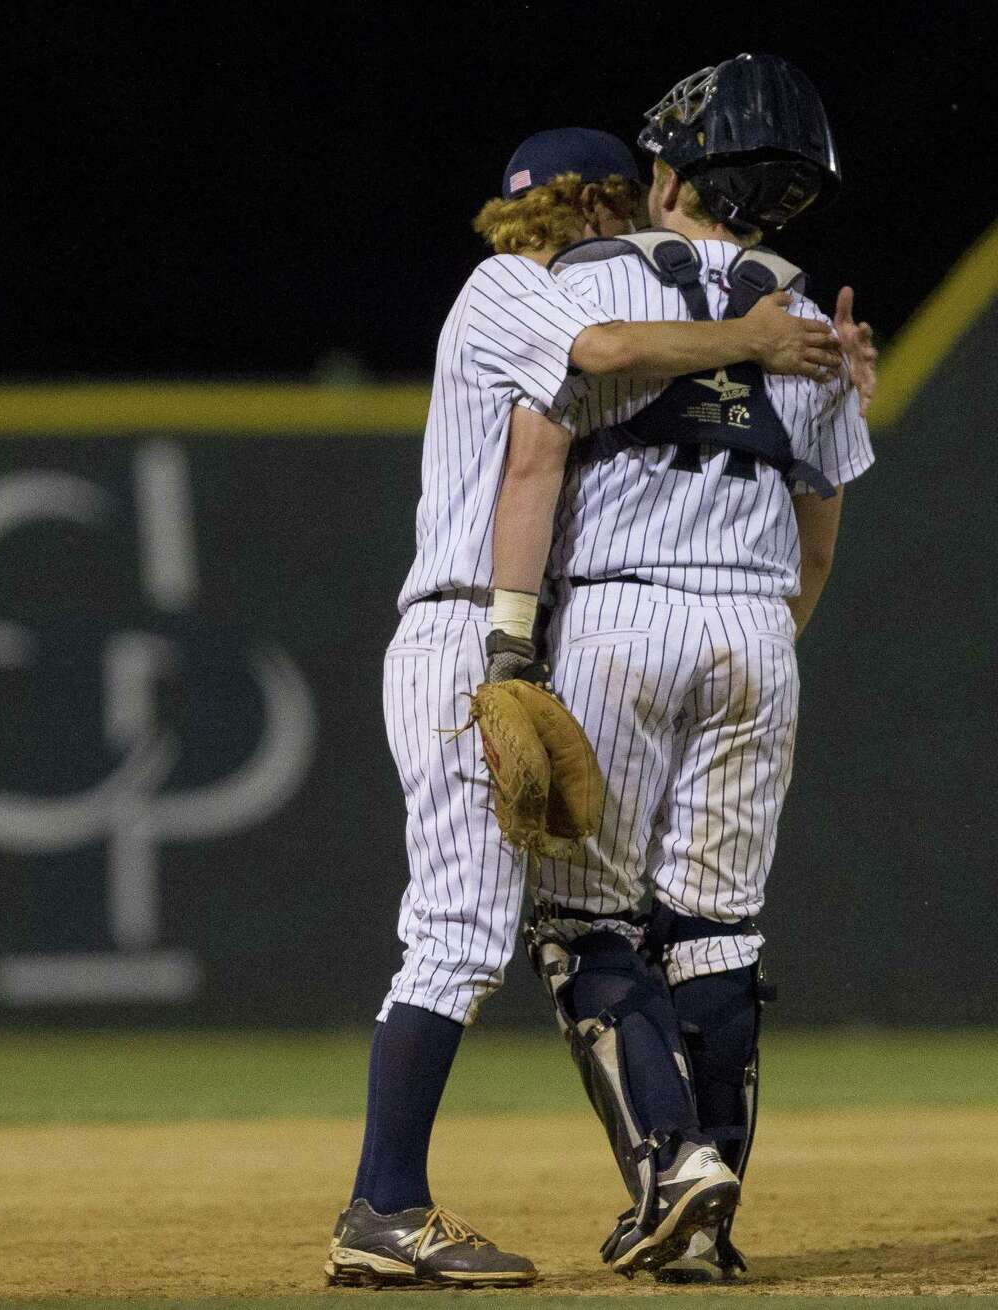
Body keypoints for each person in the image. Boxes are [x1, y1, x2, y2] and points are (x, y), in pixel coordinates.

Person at [324, 125, 845, 1290]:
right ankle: (385, 1206)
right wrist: (765, 336)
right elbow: (612, 347)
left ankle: (655, 1184)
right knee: (460, 927)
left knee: (505, 925)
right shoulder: (517, 287)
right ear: (603, 204)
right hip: (472, 623)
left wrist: (796, 360)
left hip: (516, 624)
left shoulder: (561, 289)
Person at [487, 55, 875, 1280]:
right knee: (717, 933)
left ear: (672, 173)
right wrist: (763, 650)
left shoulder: (594, 277)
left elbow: (537, 460)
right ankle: (709, 1225)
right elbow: (820, 531)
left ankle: (673, 1163)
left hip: (619, 616)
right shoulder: (814, 326)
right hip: (758, 628)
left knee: (583, 925)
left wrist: (509, 642)